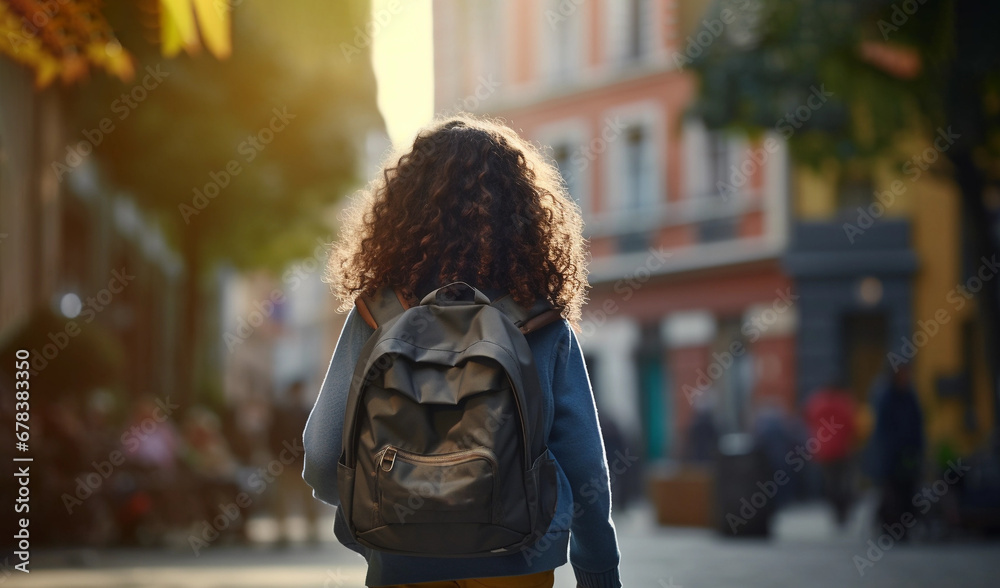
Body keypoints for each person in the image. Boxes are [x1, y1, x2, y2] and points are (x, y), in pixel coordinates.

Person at [303, 115, 620, 588]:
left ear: (400, 210)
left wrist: (375, 507)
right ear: (526, 212)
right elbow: (584, 463)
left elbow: (324, 451)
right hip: (518, 556)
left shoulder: (376, 312)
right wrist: (597, 568)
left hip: (400, 555)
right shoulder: (541, 318)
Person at [872, 363, 925, 536]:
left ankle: (904, 528)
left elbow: (917, 424)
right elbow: (882, 429)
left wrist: (918, 448)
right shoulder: (887, 398)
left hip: (909, 454)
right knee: (892, 494)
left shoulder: (910, 397)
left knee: (908, 492)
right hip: (892, 456)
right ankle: (890, 527)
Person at [270, 380, 320, 545]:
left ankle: (312, 532)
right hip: (285, 463)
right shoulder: (281, 413)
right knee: (283, 500)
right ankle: (282, 534)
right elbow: (273, 437)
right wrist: (277, 457)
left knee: (307, 499)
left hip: (304, 463)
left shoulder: (308, 412)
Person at [803, 380, 858, 526]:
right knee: (844, 482)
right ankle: (844, 510)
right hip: (842, 450)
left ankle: (836, 511)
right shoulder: (844, 404)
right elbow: (852, 425)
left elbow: (809, 420)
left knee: (831, 484)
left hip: (824, 451)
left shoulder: (816, 402)